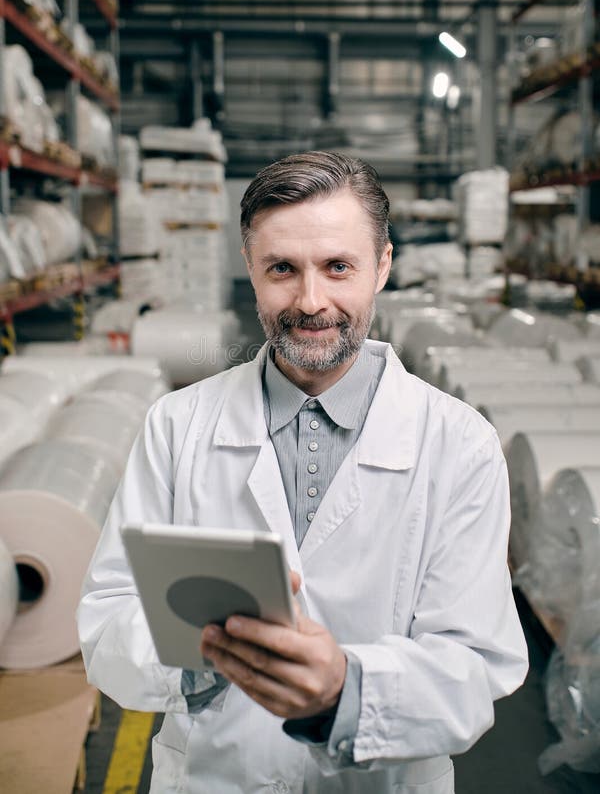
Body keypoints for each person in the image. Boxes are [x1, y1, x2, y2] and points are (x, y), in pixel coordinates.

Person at [78, 151, 528, 794]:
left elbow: (475, 665)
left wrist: (346, 690)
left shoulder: (460, 445)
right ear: (251, 271)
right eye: (283, 269)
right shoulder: (176, 426)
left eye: (338, 267)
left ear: (383, 267)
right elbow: (106, 619)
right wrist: (202, 658)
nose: (311, 301)